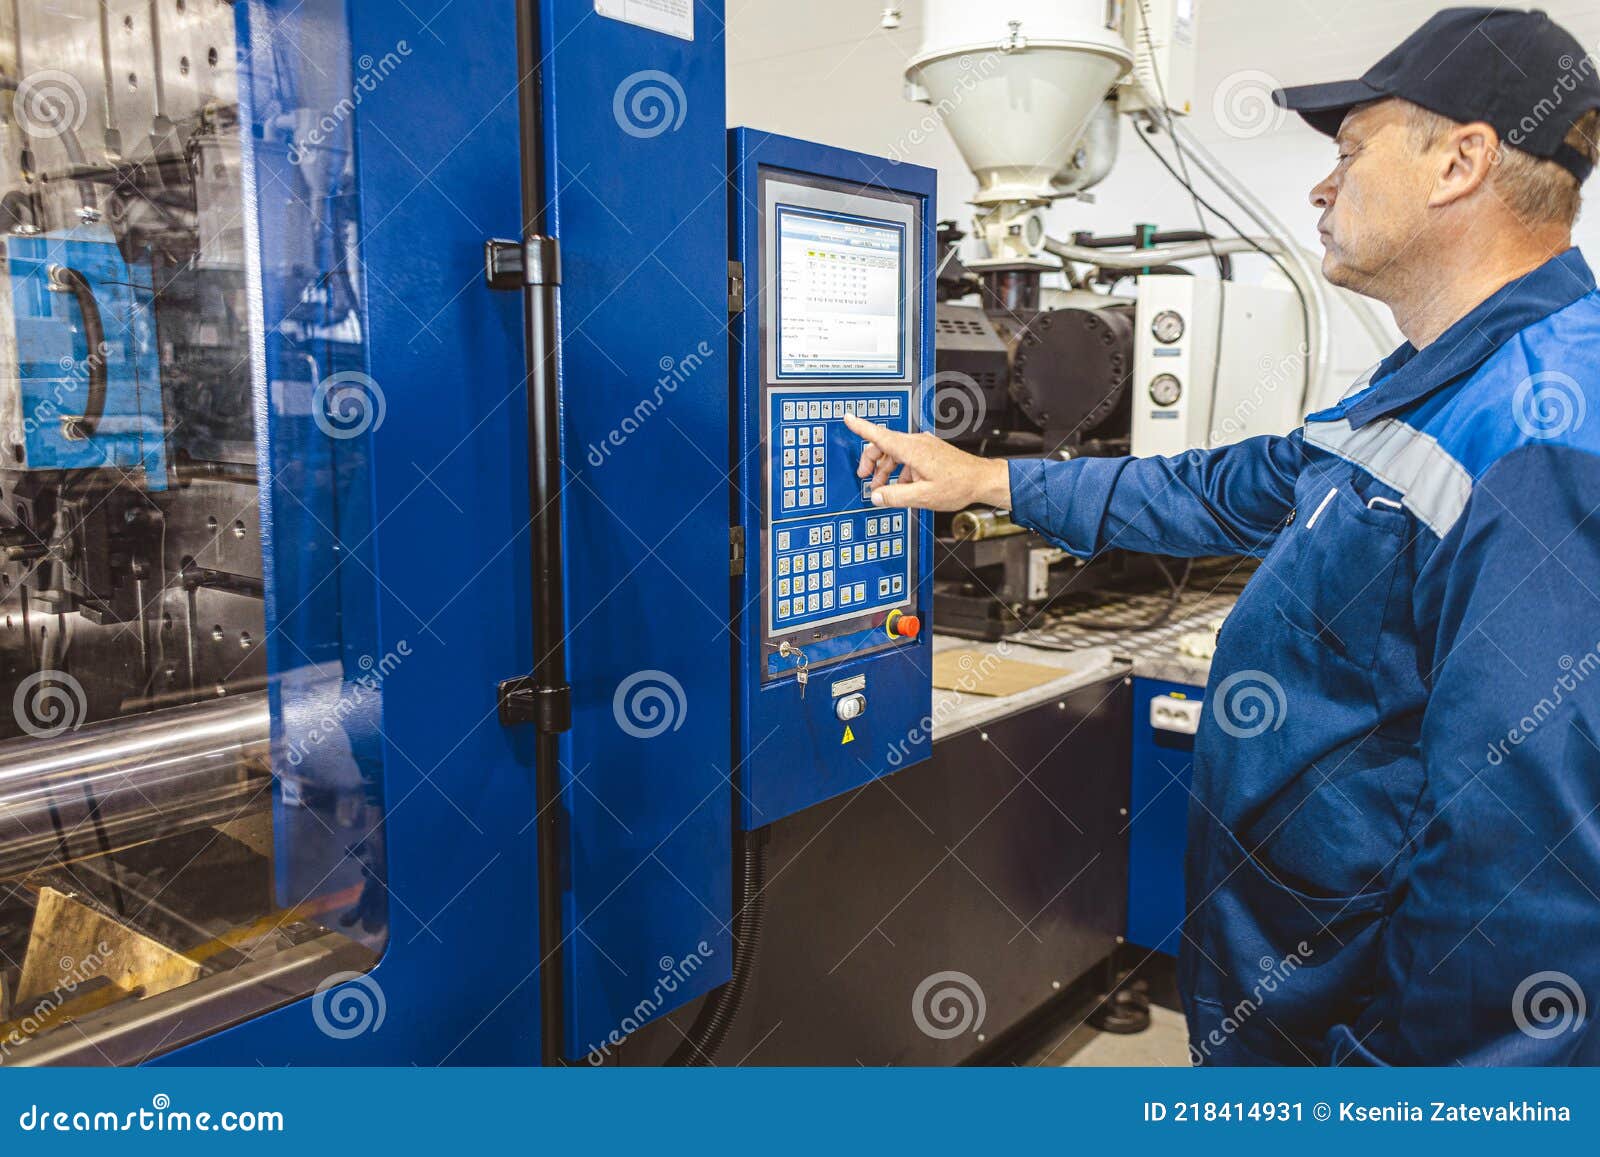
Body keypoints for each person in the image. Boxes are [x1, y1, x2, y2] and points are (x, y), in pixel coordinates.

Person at [843, 6, 1600, 1065]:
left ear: (1460, 161)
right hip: (1291, 970)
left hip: (1360, 1024)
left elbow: (1524, 868)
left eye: (1347, 153)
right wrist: (987, 476)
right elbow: (1231, 489)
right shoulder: (1428, 382)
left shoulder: (1546, 426)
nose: (1320, 187)